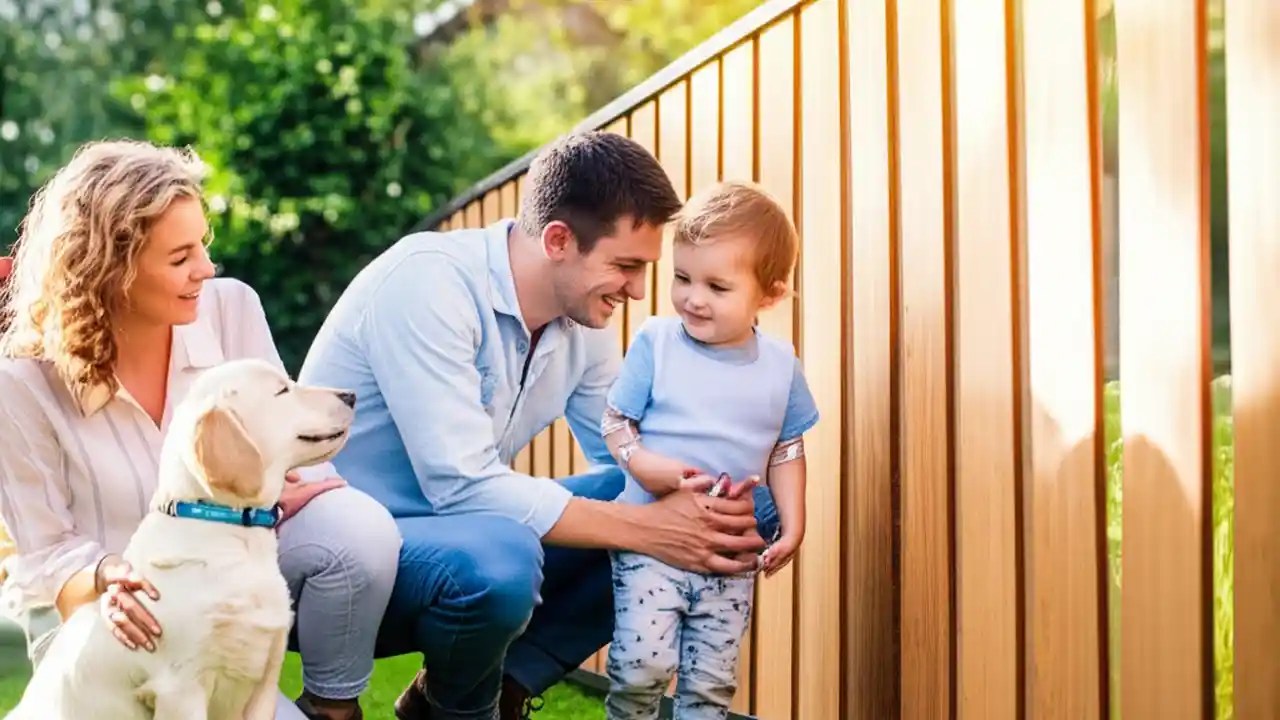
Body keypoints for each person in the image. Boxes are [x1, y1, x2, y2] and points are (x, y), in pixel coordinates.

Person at [296, 130, 766, 720]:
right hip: (349, 559)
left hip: (464, 539)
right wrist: (649, 530)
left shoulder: (583, 326)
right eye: (625, 266)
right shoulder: (427, 283)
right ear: (559, 240)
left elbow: (630, 455)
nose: (641, 291)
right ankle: (461, 711)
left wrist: (703, 482)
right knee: (504, 555)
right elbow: (461, 486)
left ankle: (503, 687)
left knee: (729, 504)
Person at [0, 139, 401, 720]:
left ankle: (332, 708)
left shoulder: (230, 307)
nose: (206, 269)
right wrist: (110, 577)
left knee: (356, 530)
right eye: (180, 256)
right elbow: (40, 556)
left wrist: (284, 480)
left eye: (203, 246)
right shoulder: (22, 384)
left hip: (226, 586)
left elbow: (286, 449)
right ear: (111, 268)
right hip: (107, 624)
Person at [599, 181, 817, 719]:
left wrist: (793, 524)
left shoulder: (780, 365)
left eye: (717, 287)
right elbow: (616, 421)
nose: (693, 298)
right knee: (641, 668)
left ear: (769, 295)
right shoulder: (656, 343)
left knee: (712, 685)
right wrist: (643, 464)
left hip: (730, 552)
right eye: (681, 278)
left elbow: (787, 449)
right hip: (651, 541)